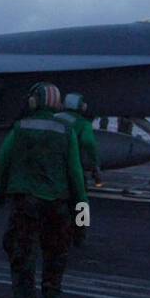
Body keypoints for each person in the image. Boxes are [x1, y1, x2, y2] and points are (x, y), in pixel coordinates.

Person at [0, 82, 88, 298]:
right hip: (58, 203)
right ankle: (53, 296)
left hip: (26, 203)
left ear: (34, 101)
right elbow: (76, 175)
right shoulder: (65, 130)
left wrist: (0, 193)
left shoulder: (20, 127)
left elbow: (3, 159)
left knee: (22, 253)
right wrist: (82, 216)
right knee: (57, 252)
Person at [56, 92, 102, 247]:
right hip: (74, 168)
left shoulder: (54, 118)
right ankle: (80, 234)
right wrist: (95, 164)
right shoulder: (83, 124)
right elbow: (89, 142)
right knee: (81, 202)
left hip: (53, 168)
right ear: (82, 106)